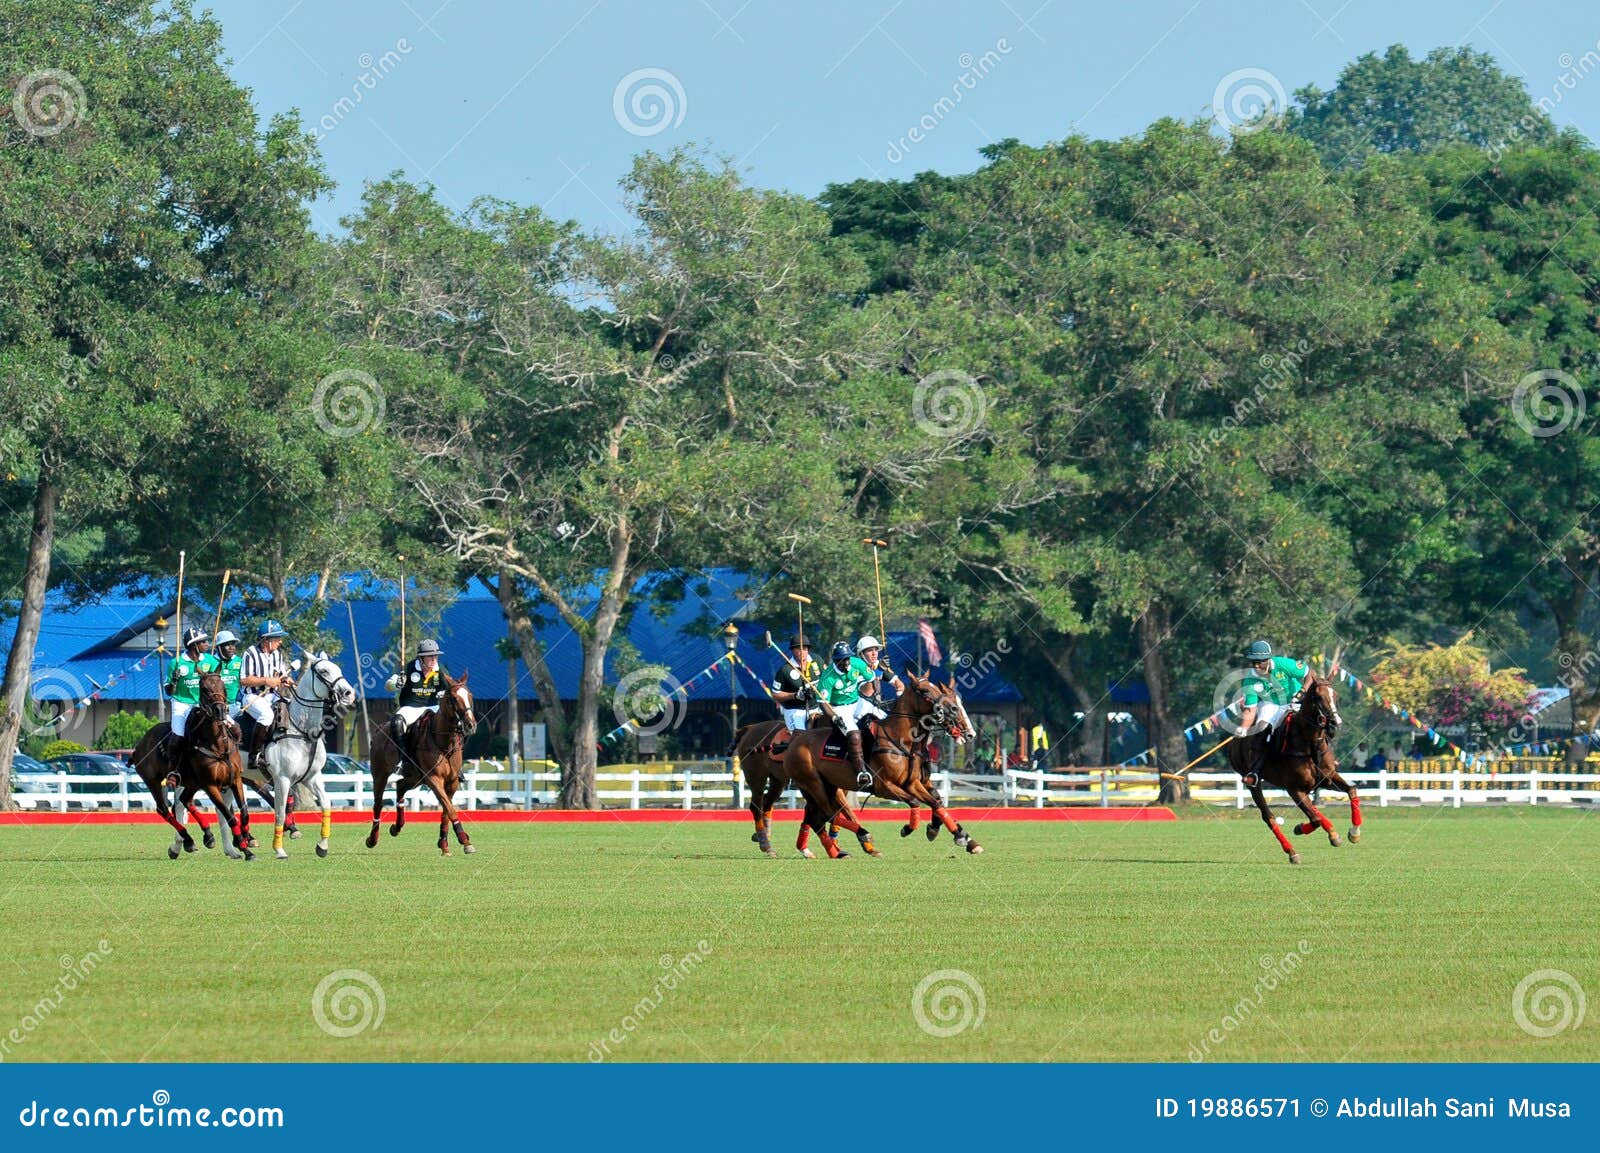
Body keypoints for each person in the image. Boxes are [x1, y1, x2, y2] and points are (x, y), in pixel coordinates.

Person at [1234, 639, 1316, 787]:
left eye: (1260, 662)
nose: (1257, 665)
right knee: (1261, 728)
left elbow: (1309, 673)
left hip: (1294, 699)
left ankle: (1325, 758)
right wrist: (1243, 728)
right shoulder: (1249, 680)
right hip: (1270, 704)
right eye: (1254, 662)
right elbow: (1250, 710)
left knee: (1314, 721)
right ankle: (1255, 771)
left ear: (1269, 659)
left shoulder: (1283, 664)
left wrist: (1303, 691)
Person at [813, 640, 885, 788]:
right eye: (843, 660)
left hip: (857, 702)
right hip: (838, 707)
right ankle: (861, 772)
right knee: (854, 734)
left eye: (847, 659)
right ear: (835, 661)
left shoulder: (857, 663)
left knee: (883, 718)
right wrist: (833, 717)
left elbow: (873, 679)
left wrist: (877, 695)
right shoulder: (827, 678)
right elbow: (823, 703)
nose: (847, 662)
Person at [239, 619, 293, 773]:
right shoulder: (250, 653)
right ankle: (254, 755)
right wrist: (266, 680)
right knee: (267, 715)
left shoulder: (277, 654)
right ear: (266, 640)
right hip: (253, 697)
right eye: (277, 638)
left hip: (272, 695)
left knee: (290, 707)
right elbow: (244, 680)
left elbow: (281, 674)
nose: (280, 641)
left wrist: (286, 680)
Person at [385, 638, 451, 756]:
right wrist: (396, 684)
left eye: (435, 656)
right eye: (430, 656)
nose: (434, 659)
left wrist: (445, 693)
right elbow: (388, 685)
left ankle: (454, 762)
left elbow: (450, 687)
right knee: (397, 722)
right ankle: (404, 758)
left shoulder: (439, 670)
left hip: (434, 707)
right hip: (411, 708)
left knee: (456, 723)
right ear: (420, 658)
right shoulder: (409, 668)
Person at [164, 627, 218, 759]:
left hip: (203, 704)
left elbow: (217, 682)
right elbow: (169, 692)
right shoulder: (176, 662)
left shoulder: (210, 660)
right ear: (194, 645)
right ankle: (173, 771)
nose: (207, 644)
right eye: (203, 642)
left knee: (230, 727)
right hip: (181, 703)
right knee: (178, 736)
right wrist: (174, 681)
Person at [771, 633, 820, 734]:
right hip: (794, 710)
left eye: (805, 648)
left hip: (817, 708)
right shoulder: (785, 670)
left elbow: (826, 680)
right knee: (800, 738)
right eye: (798, 649)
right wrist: (795, 695)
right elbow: (775, 694)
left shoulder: (817, 661)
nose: (802, 652)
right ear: (792, 650)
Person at [212, 630, 245, 739]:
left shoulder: (239, 662)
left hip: (237, 706)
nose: (231, 648)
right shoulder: (210, 662)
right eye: (227, 645)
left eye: (233, 644)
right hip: (217, 709)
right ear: (219, 647)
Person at [855, 635, 904, 703]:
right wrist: (879, 670)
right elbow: (868, 692)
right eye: (870, 650)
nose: (874, 653)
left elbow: (899, 685)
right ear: (861, 654)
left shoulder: (877, 666)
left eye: (876, 650)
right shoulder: (856, 669)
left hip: (877, 705)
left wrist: (900, 695)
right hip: (858, 707)